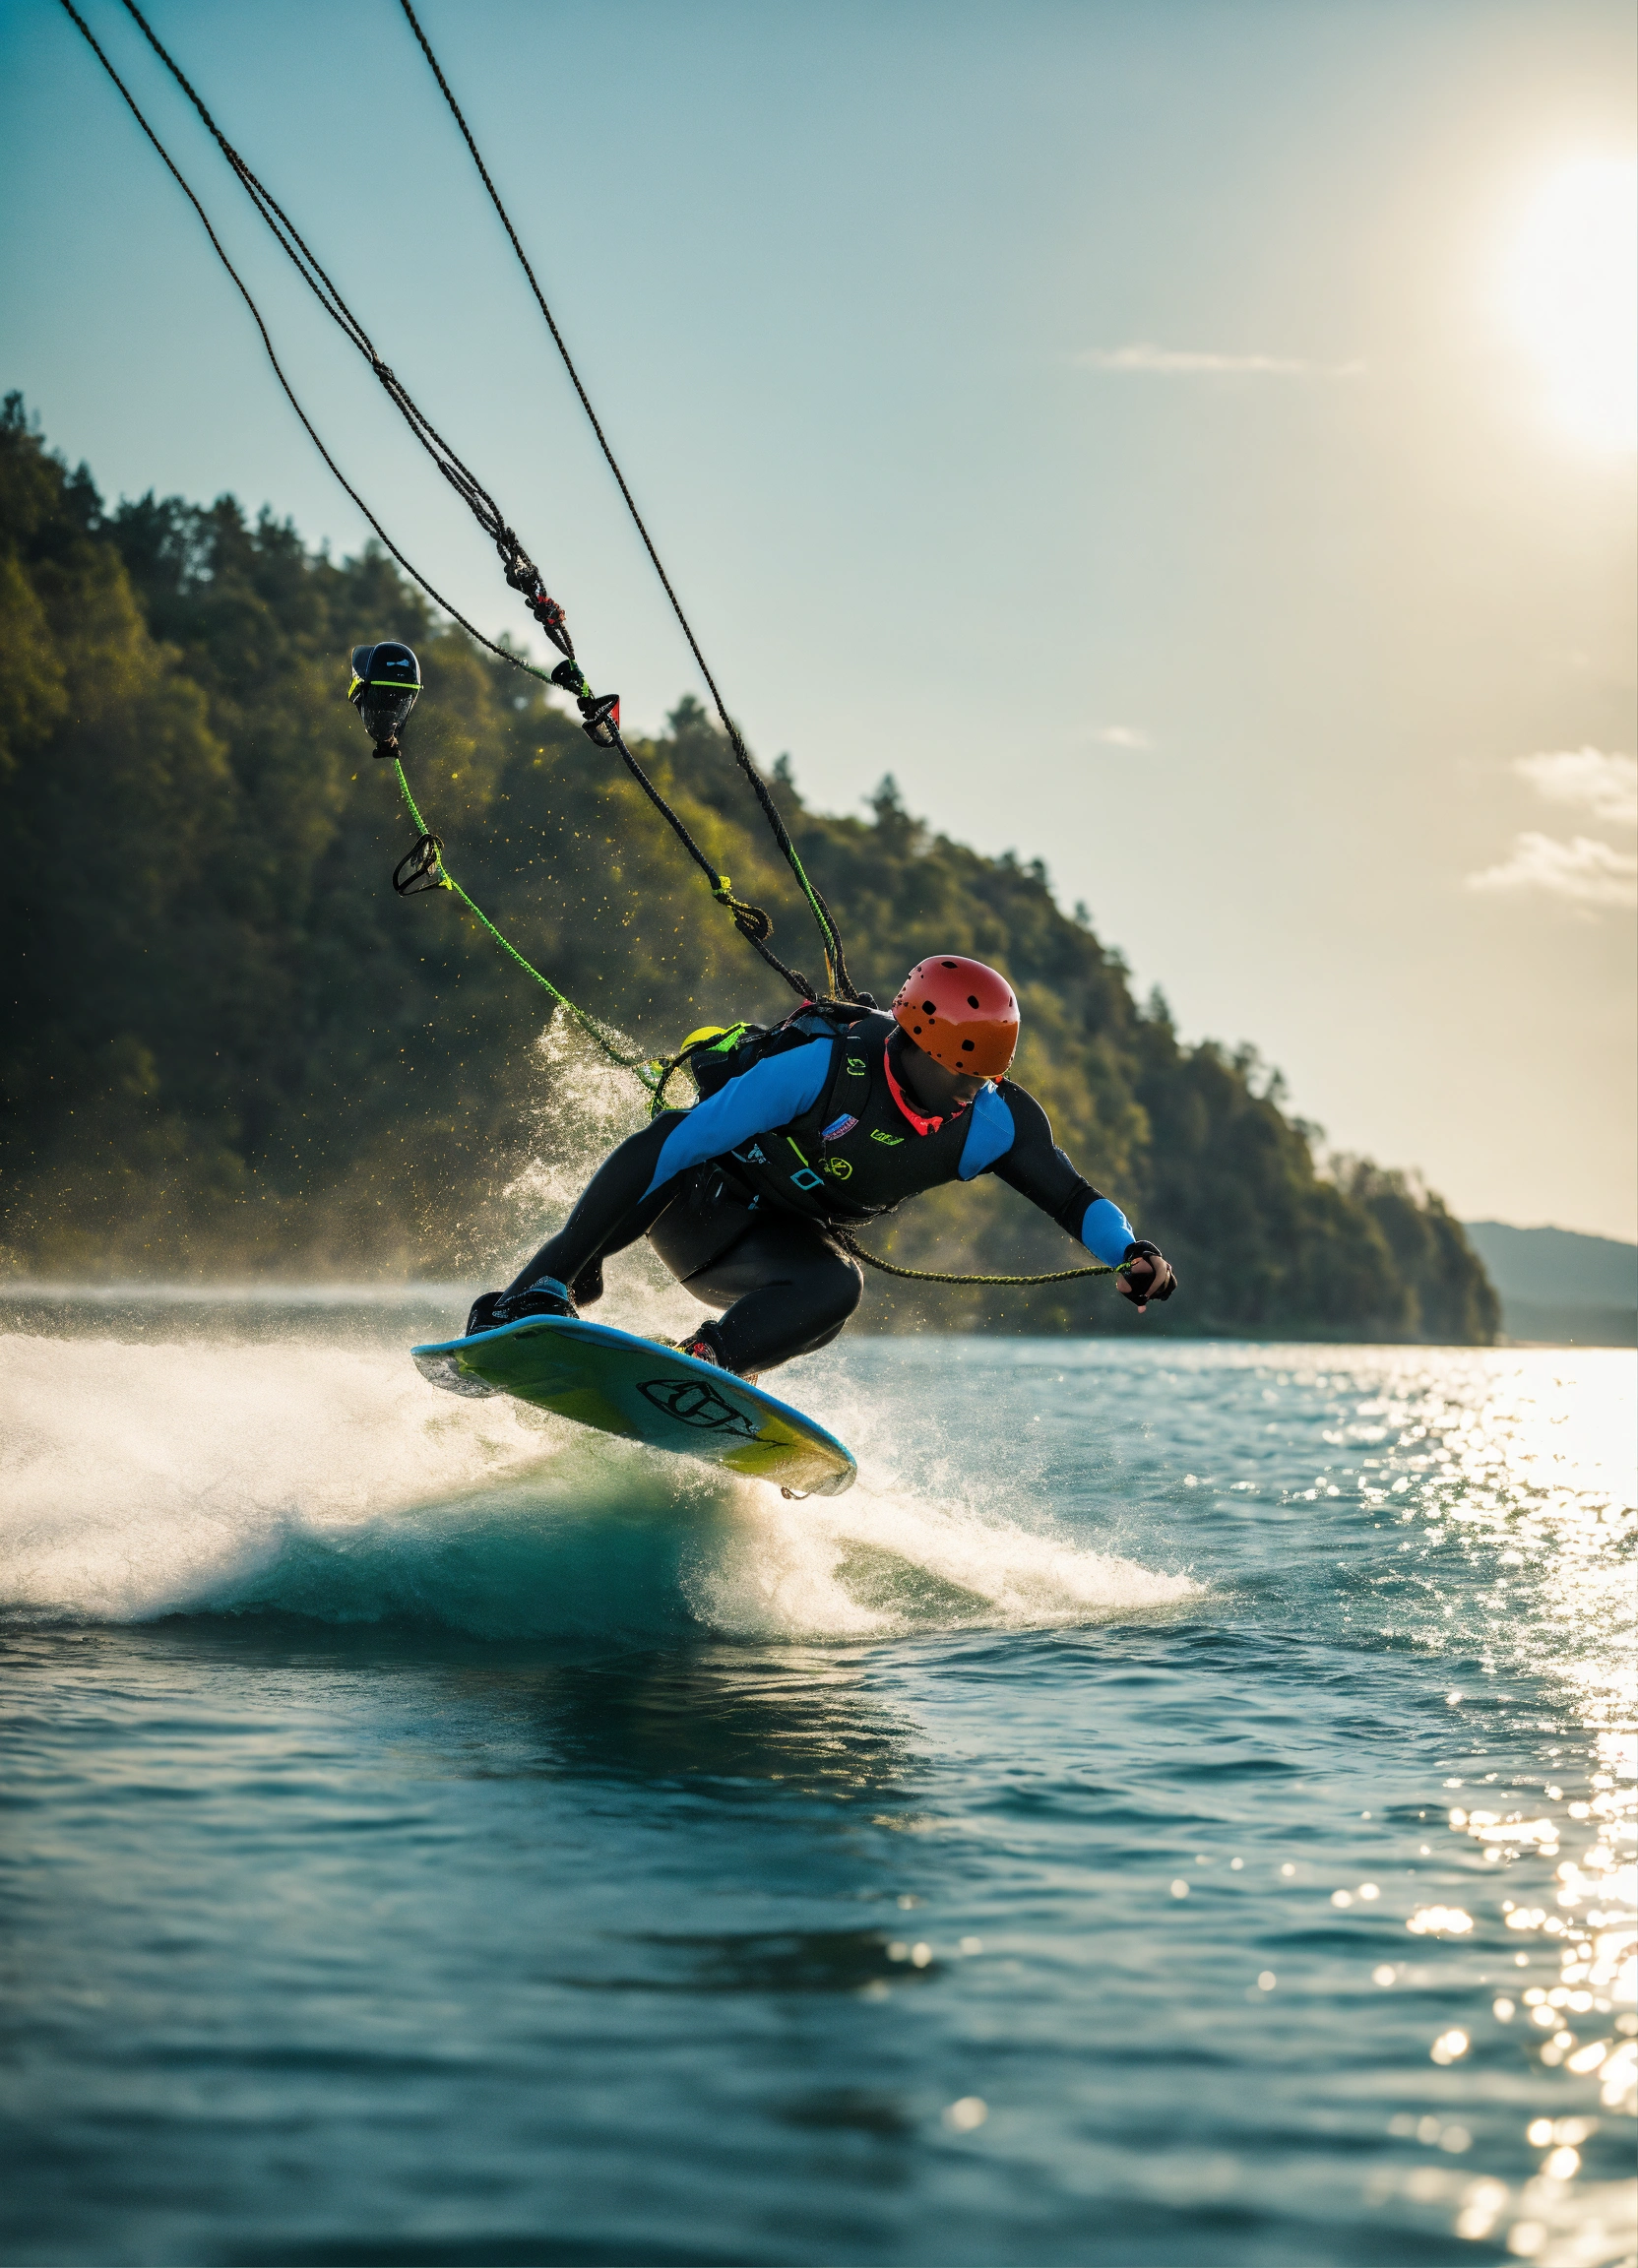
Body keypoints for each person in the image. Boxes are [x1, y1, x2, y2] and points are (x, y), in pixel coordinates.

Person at [466, 955, 1176, 1375]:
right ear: (916, 1042)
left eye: (986, 1073)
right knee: (680, 1136)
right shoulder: (827, 1067)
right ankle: (535, 1292)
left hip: (772, 1251)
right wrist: (575, 1256)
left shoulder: (996, 1122)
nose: (972, 1089)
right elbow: (681, 1144)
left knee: (838, 1287)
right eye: (960, 1070)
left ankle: (701, 1366)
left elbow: (1074, 1198)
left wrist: (1132, 1250)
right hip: (700, 1207)